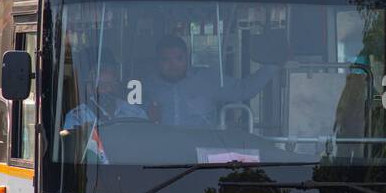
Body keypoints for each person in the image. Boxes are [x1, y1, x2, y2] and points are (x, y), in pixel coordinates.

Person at [143, 34, 281, 128]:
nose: (173, 65)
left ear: (187, 57)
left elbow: (244, 89)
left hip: (200, 157)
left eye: (179, 58)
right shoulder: (147, 86)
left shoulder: (207, 80)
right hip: (162, 155)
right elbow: (130, 114)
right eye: (165, 60)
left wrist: (273, 65)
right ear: (157, 61)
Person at [63, 63, 147, 131]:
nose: (109, 89)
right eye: (103, 85)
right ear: (90, 88)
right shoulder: (78, 117)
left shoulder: (136, 113)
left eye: (113, 85)